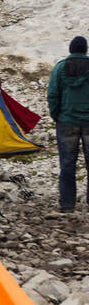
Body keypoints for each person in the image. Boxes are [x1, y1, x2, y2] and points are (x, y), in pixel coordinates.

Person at [47, 35, 89, 213]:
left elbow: (52, 94)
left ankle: (67, 204)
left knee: (67, 163)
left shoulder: (60, 68)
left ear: (71, 49)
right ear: (85, 49)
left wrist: (57, 115)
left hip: (66, 121)